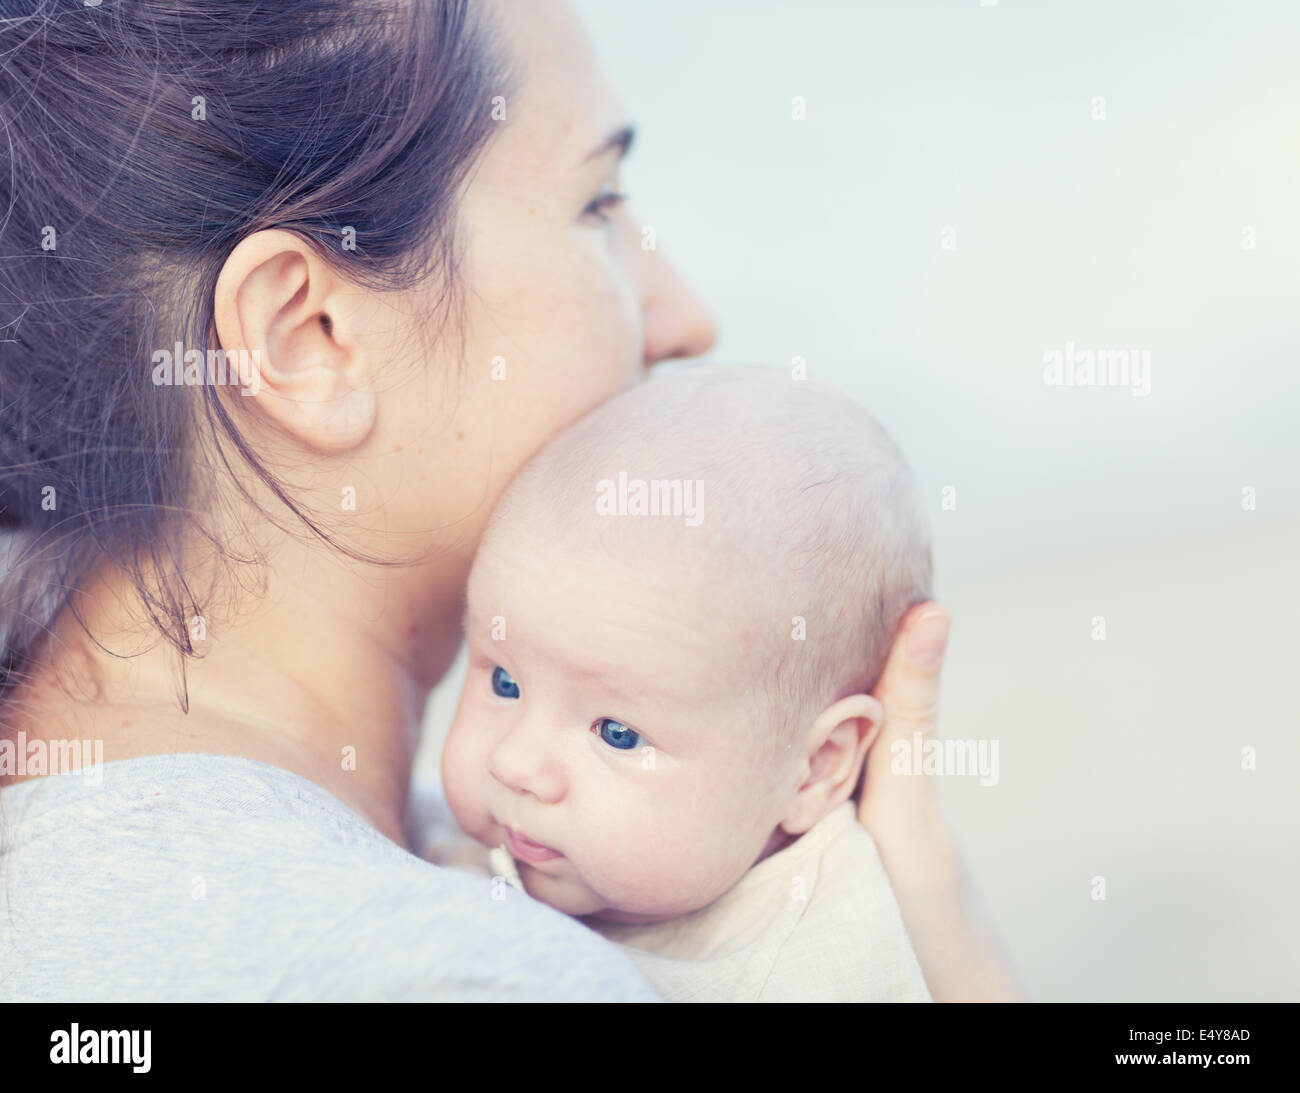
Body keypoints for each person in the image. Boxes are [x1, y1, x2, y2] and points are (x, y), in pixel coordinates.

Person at [0, 0, 1018, 1001]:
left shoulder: (448, 859)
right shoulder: (473, 967)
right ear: (307, 336)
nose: (682, 316)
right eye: (598, 204)